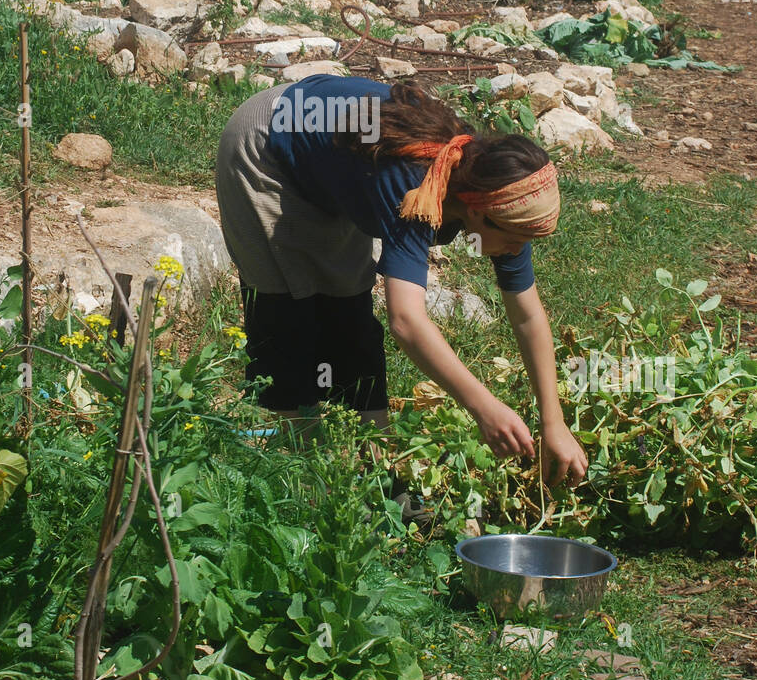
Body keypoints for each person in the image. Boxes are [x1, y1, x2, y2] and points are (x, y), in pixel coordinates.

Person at [215, 74, 588, 489]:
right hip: (267, 145)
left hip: (329, 160)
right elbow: (407, 321)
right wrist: (485, 408)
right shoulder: (416, 184)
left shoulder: (497, 193)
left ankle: (373, 473)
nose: (515, 251)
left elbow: (527, 317)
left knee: (348, 312)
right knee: (284, 313)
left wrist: (554, 423)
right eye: (514, 241)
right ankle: (292, 475)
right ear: (478, 210)